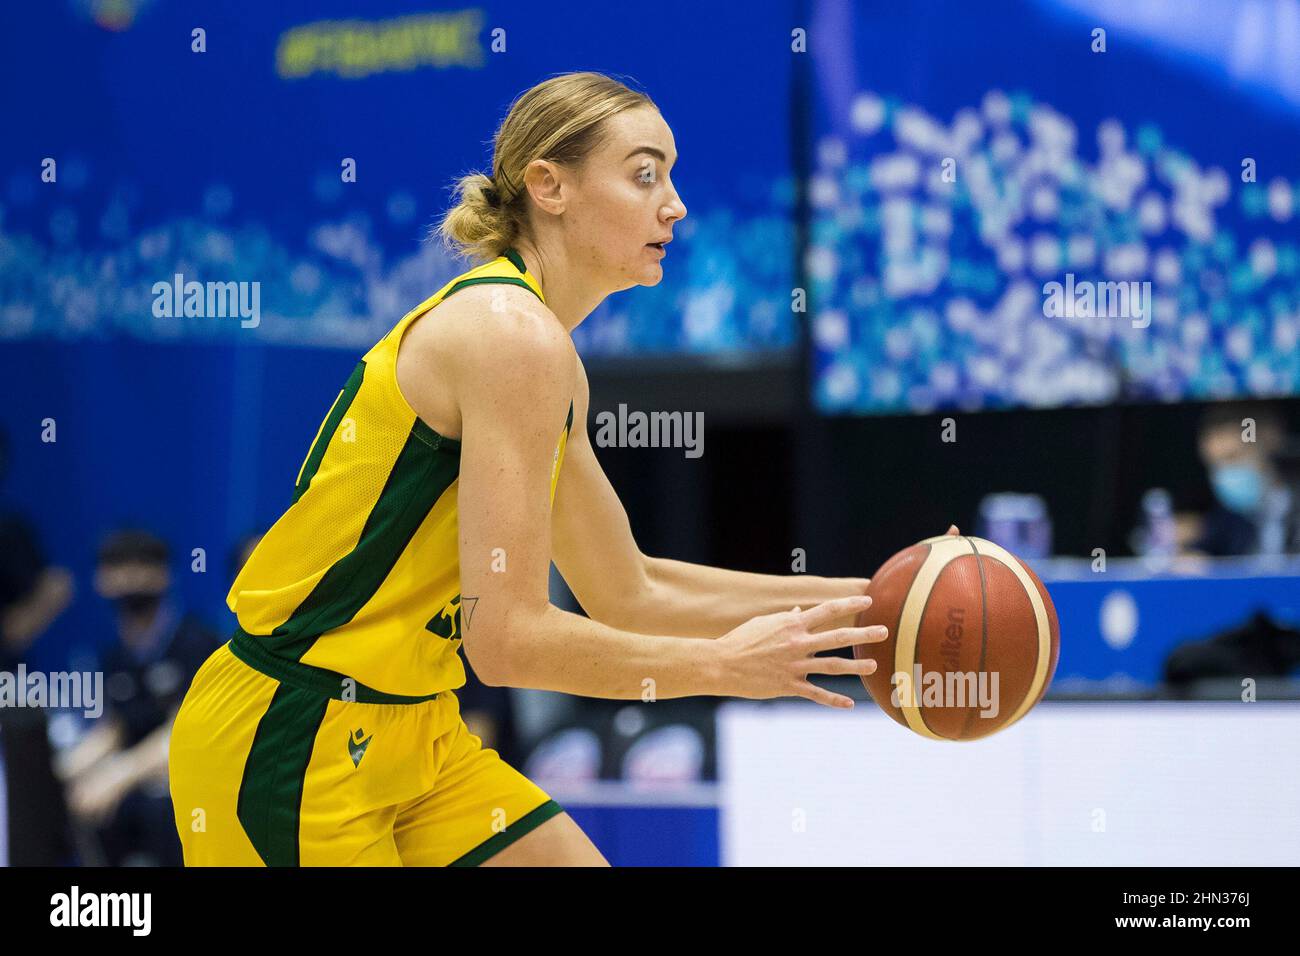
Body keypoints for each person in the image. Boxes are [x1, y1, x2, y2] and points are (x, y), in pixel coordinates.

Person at [168, 70, 961, 867]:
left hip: (413, 728)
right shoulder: (508, 335)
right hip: (294, 732)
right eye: (645, 175)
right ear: (549, 185)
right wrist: (724, 666)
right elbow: (507, 641)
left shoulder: (546, 351)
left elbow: (628, 590)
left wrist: (878, 603)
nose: (675, 205)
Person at [61, 529, 219, 865]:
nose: (127, 580)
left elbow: (184, 731)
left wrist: (119, 775)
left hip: (182, 789)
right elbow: (116, 728)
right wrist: (62, 770)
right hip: (132, 792)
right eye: (116, 568)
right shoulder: (115, 656)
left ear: (163, 574)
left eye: (138, 567)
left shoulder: (199, 644)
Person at [1185, 404, 1299, 556]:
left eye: (1233, 457)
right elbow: (1202, 553)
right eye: (1216, 465)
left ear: (1268, 440)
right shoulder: (1228, 518)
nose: (1225, 472)